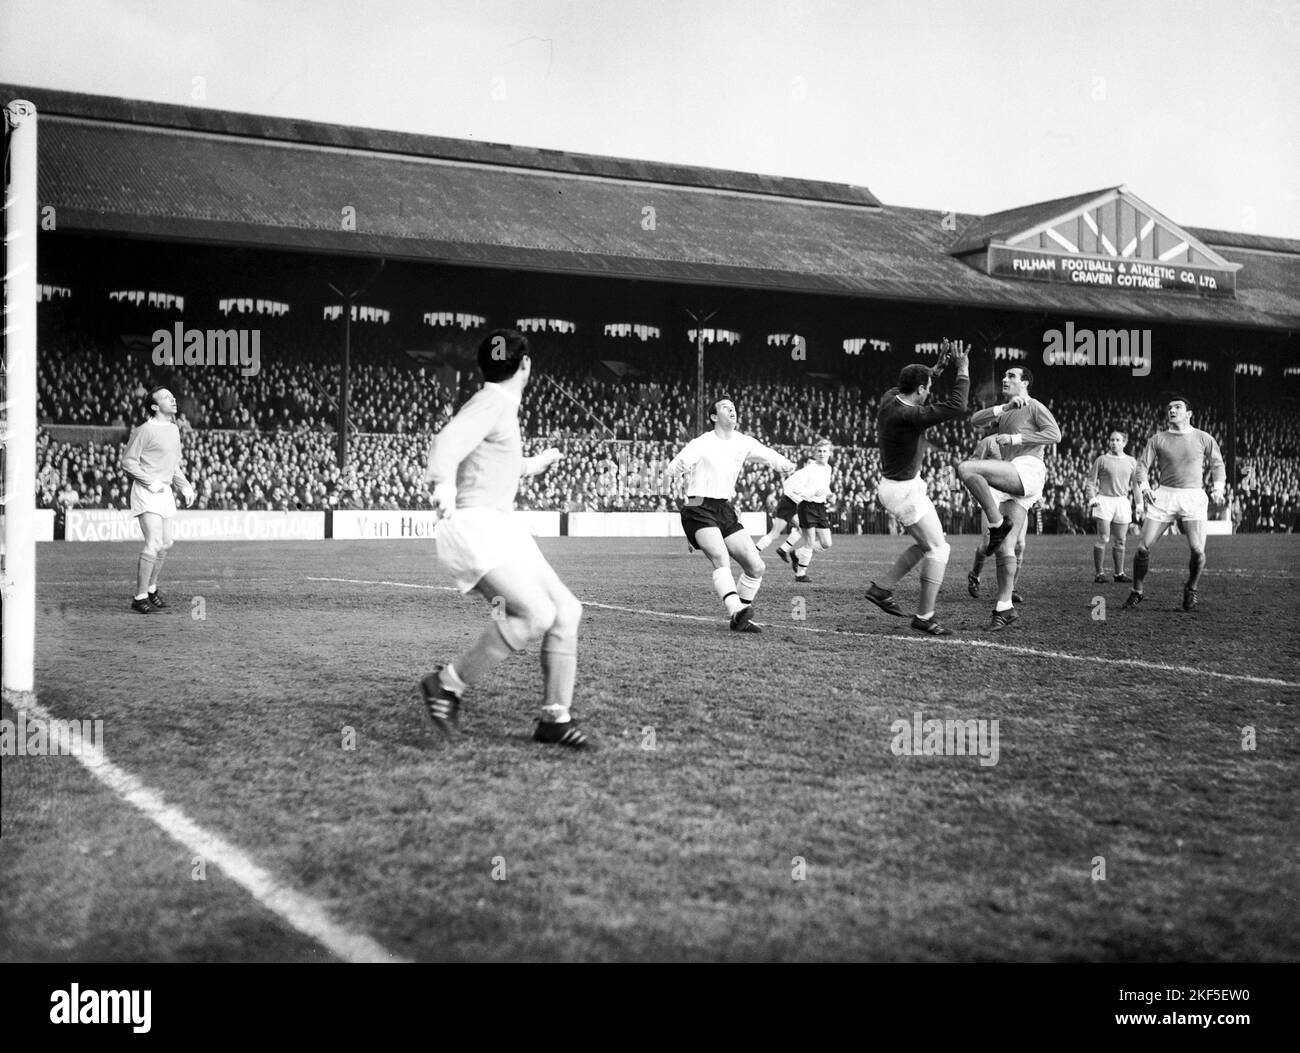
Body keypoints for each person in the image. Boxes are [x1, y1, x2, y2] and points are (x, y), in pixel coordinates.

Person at [421, 329, 589, 749]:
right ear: (526, 365)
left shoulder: (498, 405)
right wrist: (443, 485)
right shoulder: (494, 401)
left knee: (566, 610)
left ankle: (555, 718)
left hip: (499, 525)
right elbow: (447, 441)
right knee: (535, 614)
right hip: (475, 524)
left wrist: (536, 463)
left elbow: (496, 460)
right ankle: (446, 684)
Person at [865, 344, 970, 635]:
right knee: (939, 549)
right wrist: (962, 370)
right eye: (928, 387)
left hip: (896, 486)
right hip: (904, 491)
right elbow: (957, 406)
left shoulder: (890, 398)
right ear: (920, 389)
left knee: (928, 545)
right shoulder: (909, 415)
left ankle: (882, 589)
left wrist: (935, 370)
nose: (929, 393)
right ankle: (924, 616)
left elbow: (913, 384)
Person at [667, 397, 796, 633]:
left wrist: (784, 463)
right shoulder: (702, 443)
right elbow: (672, 468)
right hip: (698, 506)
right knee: (721, 557)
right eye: (726, 407)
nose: (732, 410)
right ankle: (735, 610)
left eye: (734, 407)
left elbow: (767, 454)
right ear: (714, 417)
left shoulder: (743, 442)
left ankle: (740, 618)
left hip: (724, 509)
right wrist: (679, 467)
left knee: (756, 567)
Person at [957, 366, 1061, 631]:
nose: (1005, 379)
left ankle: (996, 524)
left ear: (1025, 382)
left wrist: (1016, 438)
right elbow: (975, 421)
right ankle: (1004, 608)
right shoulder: (1007, 409)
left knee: (967, 468)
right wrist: (1003, 408)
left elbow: (1055, 435)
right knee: (1006, 548)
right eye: (1005, 376)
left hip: (1028, 468)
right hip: (1012, 474)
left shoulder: (1034, 406)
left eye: (1011, 376)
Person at [1122, 395, 1226, 612]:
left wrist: (1218, 489)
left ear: (1189, 414)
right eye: (1170, 407)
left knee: (1198, 552)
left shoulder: (1203, 438)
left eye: (1178, 407)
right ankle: (1137, 590)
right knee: (1142, 549)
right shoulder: (1157, 439)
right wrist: (1145, 487)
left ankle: (1191, 588)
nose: (1172, 410)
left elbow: (1217, 464)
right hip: (1164, 496)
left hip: (1193, 497)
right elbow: (1142, 466)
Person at [120, 387, 196, 614]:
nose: (172, 399)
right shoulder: (143, 430)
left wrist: (184, 485)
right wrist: (148, 481)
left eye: (172, 396)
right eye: (166, 397)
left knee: (166, 543)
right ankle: (140, 596)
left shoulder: (173, 429)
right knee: (153, 542)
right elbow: (128, 462)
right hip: (146, 490)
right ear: (154, 406)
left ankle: (151, 589)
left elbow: (173, 465)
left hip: (164, 491)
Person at [756, 438, 834, 582]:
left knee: (826, 543)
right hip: (804, 506)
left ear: (830, 453)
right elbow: (792, 486)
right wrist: (811, 493)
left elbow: (824, 487)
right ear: (815, 454)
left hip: (819, 507)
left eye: (824, 451)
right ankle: (800, 574)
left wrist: (830, 495)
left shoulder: (828, 468)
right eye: (819, 451)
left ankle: (795, 553)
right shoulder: (808, 469)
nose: (822, 454)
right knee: (803, 540)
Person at [965, 430, 1027, 604]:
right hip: (992, 494)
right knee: (988, 544)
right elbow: (971, 466)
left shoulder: (1019, 441)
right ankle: (975, 575)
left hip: (1014, 494)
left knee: (1019, 544)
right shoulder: (989, 441)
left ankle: (1010, 588)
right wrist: (974, 492)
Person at [1086, 429, 1139, 583]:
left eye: (1117, 440)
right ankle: (1099, 574)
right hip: (1104, 501)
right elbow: (1091, 481)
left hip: (1122, 501)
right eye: (1111, 440)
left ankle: (1119, 574)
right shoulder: (1101, 460)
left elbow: (1135, 485)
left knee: (1121, 540)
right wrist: (1092, 497)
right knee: (1104, 537)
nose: (1114, 442)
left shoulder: (1131, 461)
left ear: (1124, 443)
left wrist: (1140, 504)